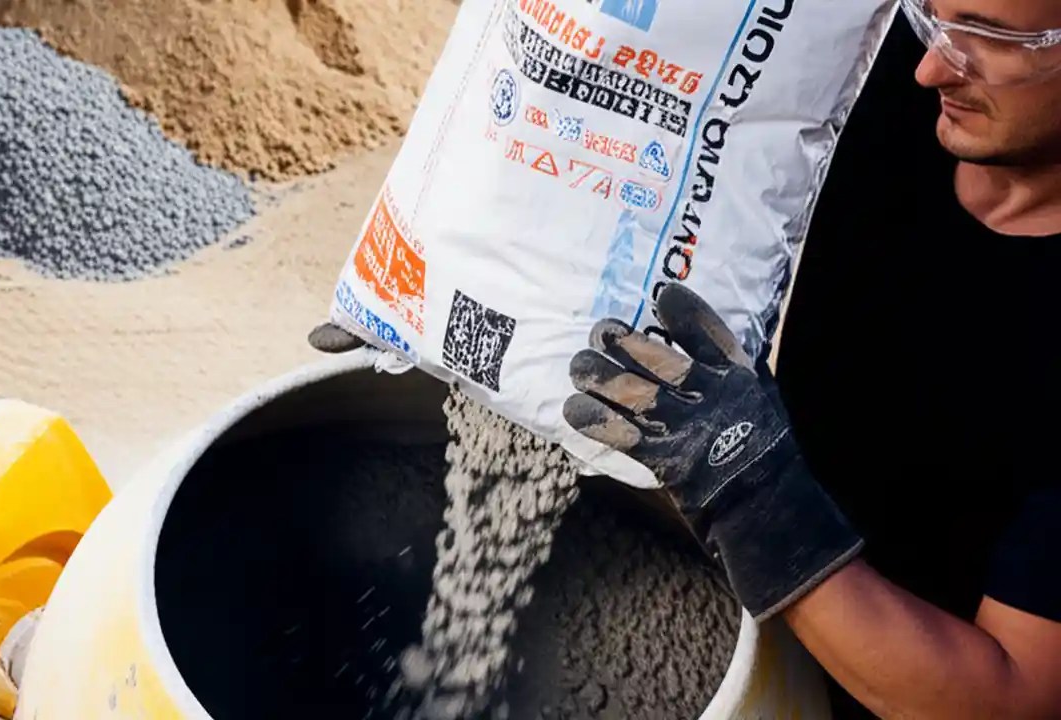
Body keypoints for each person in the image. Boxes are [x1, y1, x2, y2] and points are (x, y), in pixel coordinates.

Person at [310, 0, 1061, 716]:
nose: (932, 66)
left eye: (989, 37)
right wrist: (448, 268)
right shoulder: (941, 79)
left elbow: (1009, 698)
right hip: (763, 578)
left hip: (889, 668)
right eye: (933, 16)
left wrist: (749, 493)